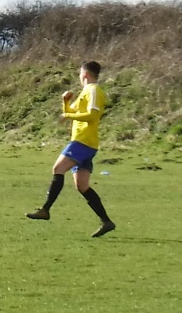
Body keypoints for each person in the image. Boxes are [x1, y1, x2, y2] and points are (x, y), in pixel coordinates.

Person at [25, 61, 115, 237]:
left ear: (85, 74)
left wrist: (67, 114)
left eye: (80, 74)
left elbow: (92, 115)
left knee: (58, 169)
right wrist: (65, 102)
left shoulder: (94, 90)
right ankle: (106, 221)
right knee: (82, 185)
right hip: (83, 142)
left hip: (83, 141)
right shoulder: (85, 92)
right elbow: (71, 113)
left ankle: (45, 209)